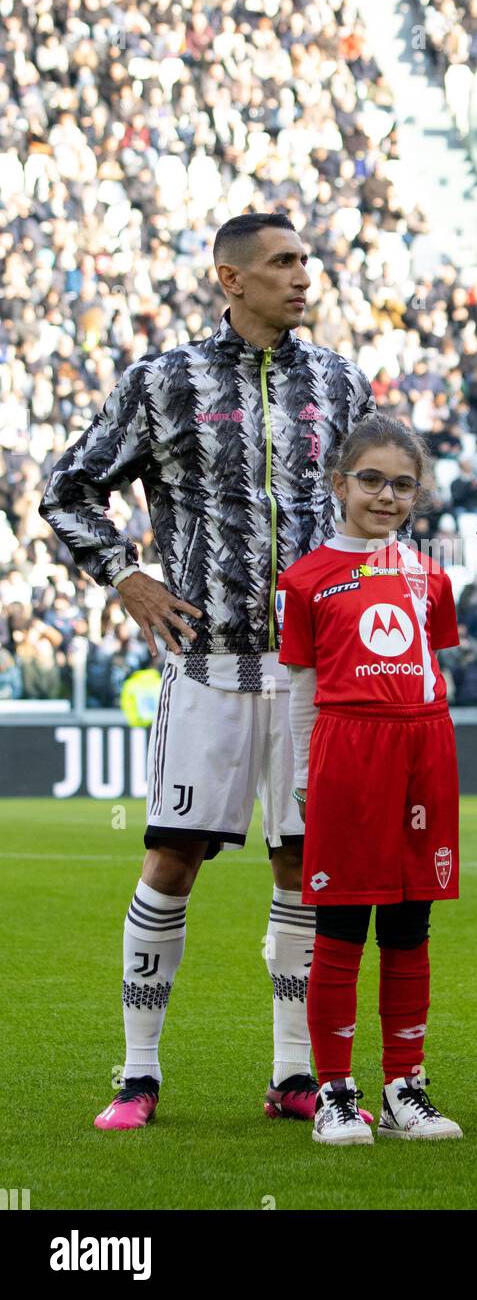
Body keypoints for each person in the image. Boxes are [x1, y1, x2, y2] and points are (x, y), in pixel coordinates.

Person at [39, 211, 375, 1130]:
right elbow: (67, 491)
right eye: (281, 264)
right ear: (231, 280)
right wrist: (127, 577)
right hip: (211, 665)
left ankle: (293, 1073)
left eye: (306, 261)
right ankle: (138, 1074)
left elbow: (379, 504)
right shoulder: (165, 381)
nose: (302, 277)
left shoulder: (342, 383)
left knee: (303, 865)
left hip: (313, 672)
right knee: (171, 859)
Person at [277, 413, 463, 1144]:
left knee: (411, 920)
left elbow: (430, 663)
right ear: (339, 484)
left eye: (403, 485)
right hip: (348, 749)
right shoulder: (306, 577)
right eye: (372, 480)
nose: (386, 496)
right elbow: (299, 687)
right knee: (342, 921)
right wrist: (301, 775)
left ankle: (403, 1086)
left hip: (424, 744)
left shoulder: (427, 572)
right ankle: (334, 1091)